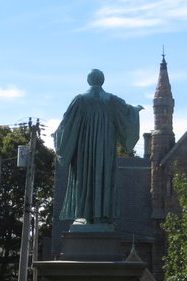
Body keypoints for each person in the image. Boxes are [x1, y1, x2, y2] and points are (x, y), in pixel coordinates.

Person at [54, 69, 142, 225]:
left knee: (84, 177)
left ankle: (86, 216)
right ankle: (102, 215)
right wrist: (136, 110)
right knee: (104, 177)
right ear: (102, 80)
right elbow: (128, 112)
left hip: (84, 150)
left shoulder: (80, 100)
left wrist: (58, 136)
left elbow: (66, 124)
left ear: (89, 80)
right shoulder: (111, 100)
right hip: (105, 148)